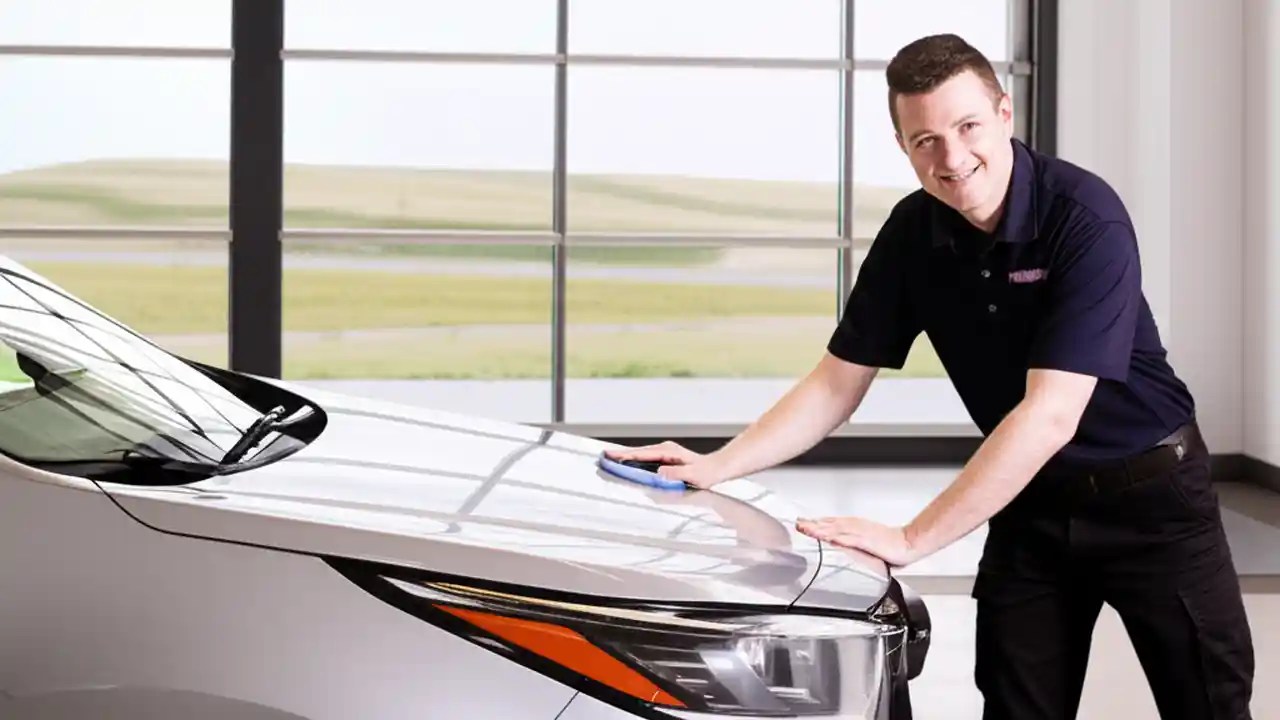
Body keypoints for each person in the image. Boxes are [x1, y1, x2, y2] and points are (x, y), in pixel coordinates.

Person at [605, 33, 1255, 720]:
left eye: (968, 126)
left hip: (1152, 501)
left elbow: (1049, 415)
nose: (952, 158)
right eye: (925, 140)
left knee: (1209, 706)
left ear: (1005, 115)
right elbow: (836, 384)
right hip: (1030, 510)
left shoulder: (1084, 216)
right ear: (903, 146)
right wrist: (717, 467)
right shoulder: (913, 234)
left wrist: (913, 538)